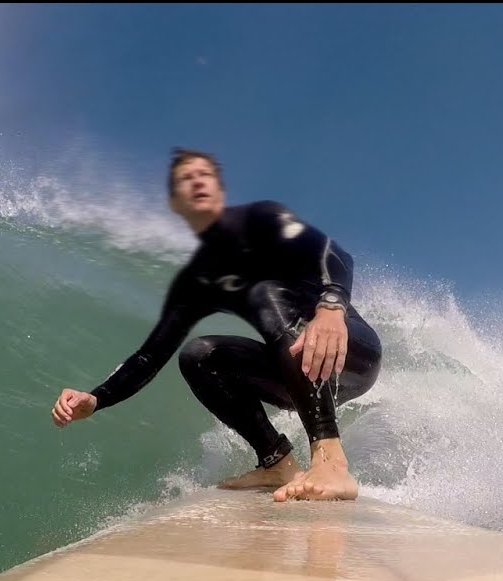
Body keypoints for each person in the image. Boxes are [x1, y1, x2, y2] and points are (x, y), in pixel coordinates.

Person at [50, 148, 382, 502]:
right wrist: (96, 398)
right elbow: (149, 357)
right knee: (199, 356)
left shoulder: (264, 219)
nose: (195, 181)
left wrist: (331, 306)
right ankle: (277, 463)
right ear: (176, 202)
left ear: (219, 188)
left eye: (203, 174)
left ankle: (330, 461)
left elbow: (333, 253)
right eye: (184, 179)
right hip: (296, 370)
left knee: (265, 292)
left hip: (350, 350)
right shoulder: (199, 280)